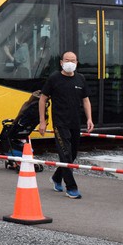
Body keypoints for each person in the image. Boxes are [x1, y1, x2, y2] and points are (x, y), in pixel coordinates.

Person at [38, 51, 94, 199]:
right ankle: (71, 187)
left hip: (75, 122)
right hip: (60, 122)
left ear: (77, 62)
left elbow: (86, 100)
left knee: (73, 153)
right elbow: (42, 99)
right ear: (61, 62)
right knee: (65, 153)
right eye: (67, 60)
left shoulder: (80, 79)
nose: (70, 63)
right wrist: (42, 121)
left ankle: (57, 177)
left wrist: (89, 119)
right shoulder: (54, 78)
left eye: (73, 60)